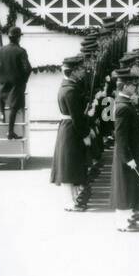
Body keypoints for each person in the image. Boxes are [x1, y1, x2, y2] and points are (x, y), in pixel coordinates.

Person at [50, 56, 92, 211]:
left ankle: (74, 199)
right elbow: (77, 117)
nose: (82, 71)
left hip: (69, 128)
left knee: (72, 166)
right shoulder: (70, 90)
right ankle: (70, 202)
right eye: (79, 69)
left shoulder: (69, 86)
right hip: (72, 130)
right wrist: (85, 134)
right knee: (69, 167)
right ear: (73, 72)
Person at [110, 71, 139, 231]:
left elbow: (135, 131)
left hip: (132, 151)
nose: (135, 87)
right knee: (124, 187)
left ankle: (129, 216)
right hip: (126, 154)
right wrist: (127, 158)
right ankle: (123, 223)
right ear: (125, 86)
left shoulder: (126, 103)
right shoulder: (122, 107)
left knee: (130, 185)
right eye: (133, 85)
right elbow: (121, 137)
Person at [0, 26, 31, 141]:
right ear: (18, 38)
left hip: (3, 81)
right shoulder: (21, 51)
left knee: (1, 95)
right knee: (14, 108)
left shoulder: (1, 49)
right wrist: (23, 80)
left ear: (9, 37)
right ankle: (10, 132)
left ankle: (1, 115)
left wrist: (0, 73)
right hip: (16, 83)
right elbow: (28, 69)